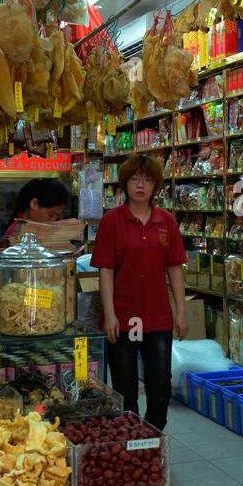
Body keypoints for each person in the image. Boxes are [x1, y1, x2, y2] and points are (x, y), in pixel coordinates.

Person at [91, 154, 187, 430]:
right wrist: (109, 314)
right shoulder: (112, 221)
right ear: (125, 185)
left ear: (155, 186)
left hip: (157, 318)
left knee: (159, 389)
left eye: (146, 180)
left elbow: (175, 268)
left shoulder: (166, 221)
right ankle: (129, 446)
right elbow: (105, 270)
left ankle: (152, 440)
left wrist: (181, 312)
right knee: (125, 390)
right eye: (134, 180)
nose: (140, 186)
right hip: (122, 317)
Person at [2, 178, 69, 244]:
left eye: (57, 217)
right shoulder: (17, 233)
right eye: (51, 215)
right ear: (34, 204)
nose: (53, 221)